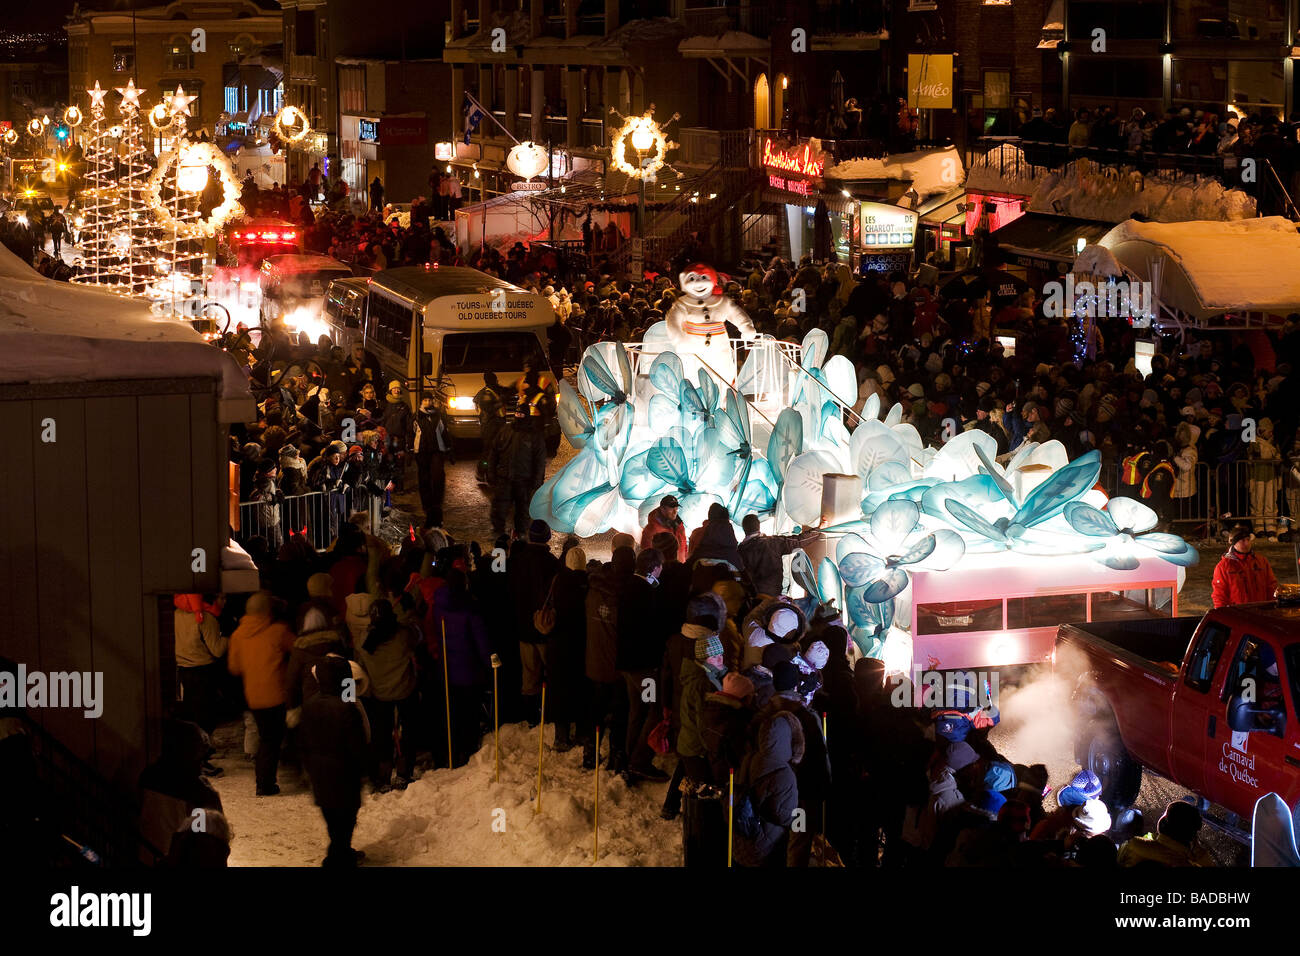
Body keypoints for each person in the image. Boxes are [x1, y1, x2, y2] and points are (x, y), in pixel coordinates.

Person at [298, 655, 368, 866]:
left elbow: (302, 742)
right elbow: (357, 746)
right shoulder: (347, 709)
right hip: (344, 775)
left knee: (333, 821)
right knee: (345, 822)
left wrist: (307, 768)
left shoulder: (309, 704)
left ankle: (341, 852)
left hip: (319, 774)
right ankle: (337, 858)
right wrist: (366, 769)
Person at [227, 591, 296, 796]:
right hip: (277, 693)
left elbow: (234, 667)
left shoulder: (237, 635)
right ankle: (265, 783)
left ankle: (265, 780)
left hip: (253, 695)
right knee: (272, 740)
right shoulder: (278, 631)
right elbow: (298, 648)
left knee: (267, 737)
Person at [617, 547, 670, 783]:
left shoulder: (628, 586)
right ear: (654, 567)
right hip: (644, 667)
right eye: (660, 566)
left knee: (636, 710)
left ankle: (629, 757)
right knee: (655, 711)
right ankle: (639, 761)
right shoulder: (646, 593)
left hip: (627, 664)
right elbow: (651, 632)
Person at [510, 520, 561, 726]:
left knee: (529, 677)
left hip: (524, 628)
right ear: (548, 537)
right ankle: (549, 715)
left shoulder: (516, 562)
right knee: (551, 674)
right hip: (546, 628)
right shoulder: (552, 563)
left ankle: (531, 718)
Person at [172, 593, 228, 771]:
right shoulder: (207, 618)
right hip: (203, 671)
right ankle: (201, 762)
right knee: (206, 718)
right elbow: (217, 650)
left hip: (183, 669)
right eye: (222, 597)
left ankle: (193, 758)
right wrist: (230, 638)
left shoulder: (177, 613)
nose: (224, 601)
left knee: (191, 716)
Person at [487, 403, 547, 538]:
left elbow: (539, 461)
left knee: (522, 510)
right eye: (517, 414)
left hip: (524, 481)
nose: (519, 416)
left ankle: (520, 535)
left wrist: (537, 482)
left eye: (521, 414)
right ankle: (498, 533)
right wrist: (491, 472)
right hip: (505, 478)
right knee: (500, 507)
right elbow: (494, 452)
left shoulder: (534, 435)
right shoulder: (506, 430)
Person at [737, 513, 815, 597]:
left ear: (744, 529)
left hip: (752, 597)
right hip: (773, 595)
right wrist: (818, 531)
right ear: (758, 526)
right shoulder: (773, 542)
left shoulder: (740, 551)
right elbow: (798, 541)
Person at [1117, 801, 1213, 866]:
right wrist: (1198, 851)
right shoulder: (1188, 863)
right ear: (1192, 836)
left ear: (1163, 823)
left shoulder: (1133, 845)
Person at [1211, 528, 1278, 608]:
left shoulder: (1261, 561)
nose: (1247, 543)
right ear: (1233, 543)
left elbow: (1271, 586)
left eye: (1248, 539)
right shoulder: (1223, 566)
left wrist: (1272, 606)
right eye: (1242, 540)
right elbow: (1219, 595)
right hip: (1238, 614)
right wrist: (1222, 615)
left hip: (1261, 611)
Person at [414, 392, 453, 529]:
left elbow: (444, 432)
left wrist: (448, 447)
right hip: (422, 451)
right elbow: (411, 432)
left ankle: (437, 502)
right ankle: (426, 504)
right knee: (424, 478)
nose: (427, 402)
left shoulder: (438, 415)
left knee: (437, 476)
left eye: (429, 400)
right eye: (424, 400)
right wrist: (409, 447)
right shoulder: (416, 416)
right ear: (421, 402)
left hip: (437, 449)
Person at [641, 494, 688, 563]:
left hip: (679, 569)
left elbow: (684, 547)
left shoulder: (679, 526)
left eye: (676, 508)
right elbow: (647, 555)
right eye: (671, 509)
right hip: (663, 571)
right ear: (662, 509)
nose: (675, 512)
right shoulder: (652, 529)